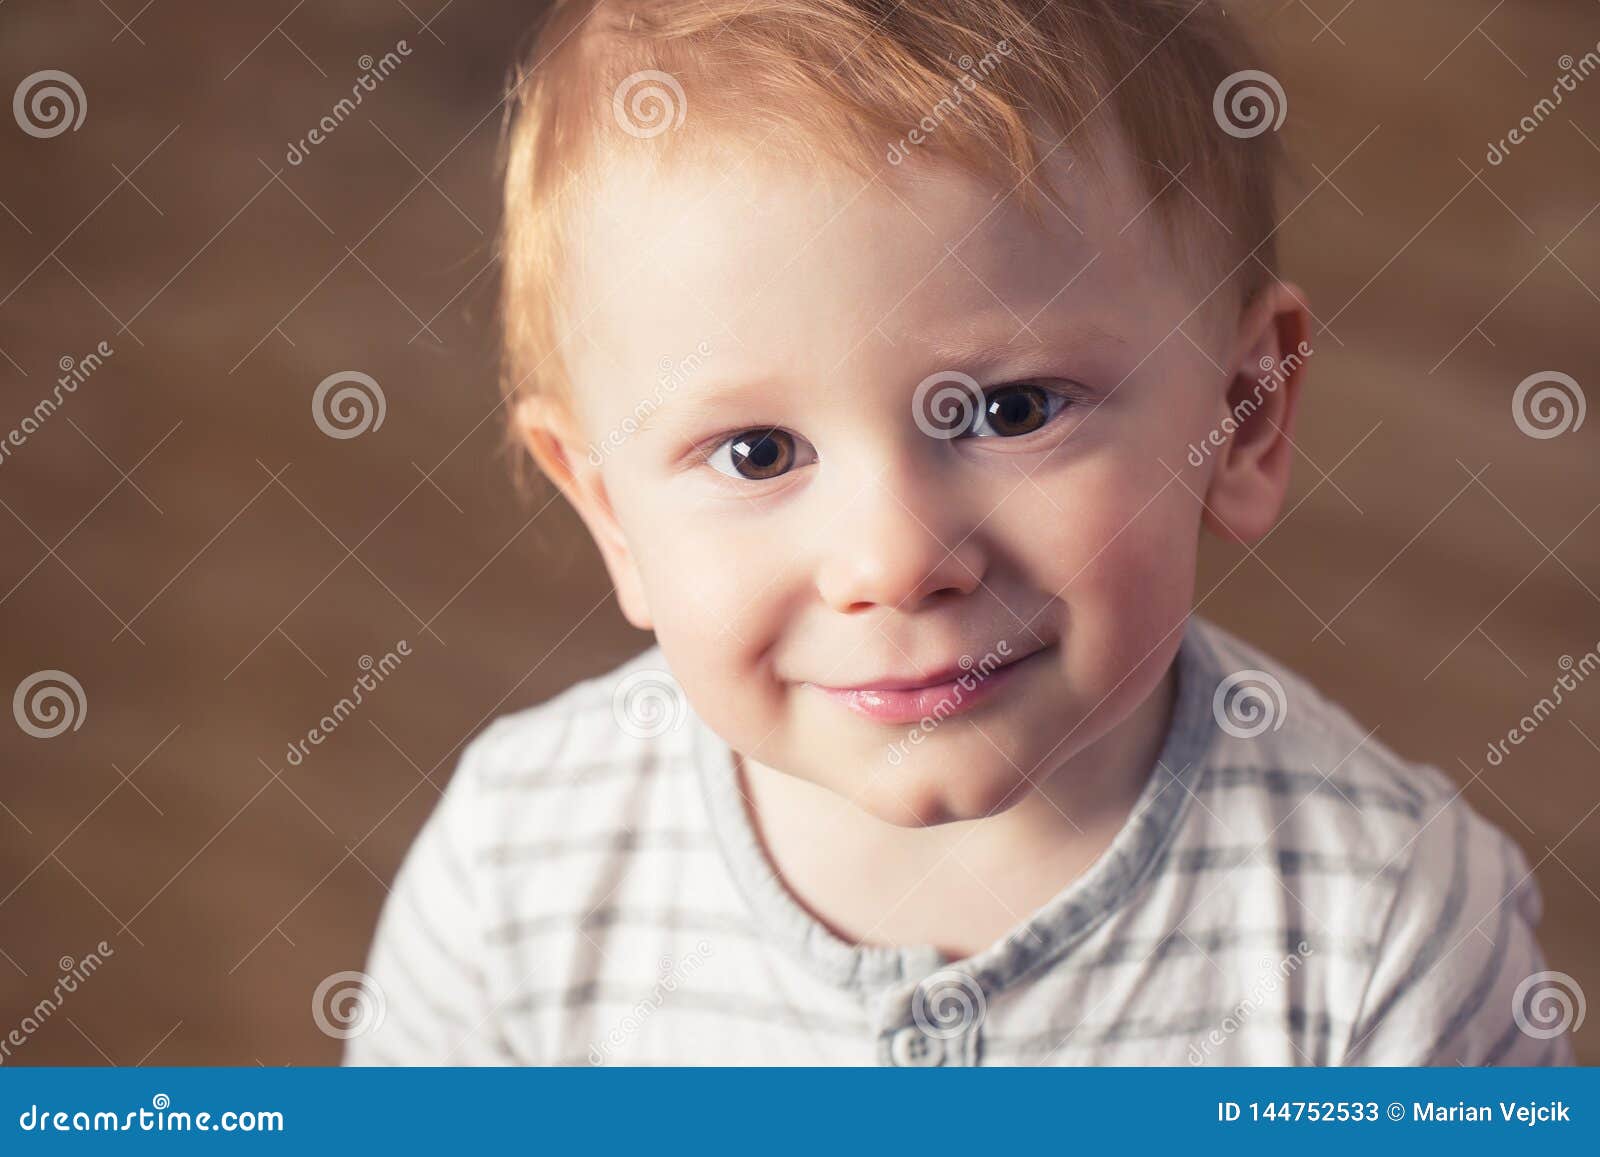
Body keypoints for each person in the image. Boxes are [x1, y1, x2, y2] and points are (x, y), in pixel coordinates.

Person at [343, 0, 1570, 1066]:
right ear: (609, 504)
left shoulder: (1388, 933)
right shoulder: (519, 866)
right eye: (757, 452)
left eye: (1009, 409)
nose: (894, 559)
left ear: (1242, 417)